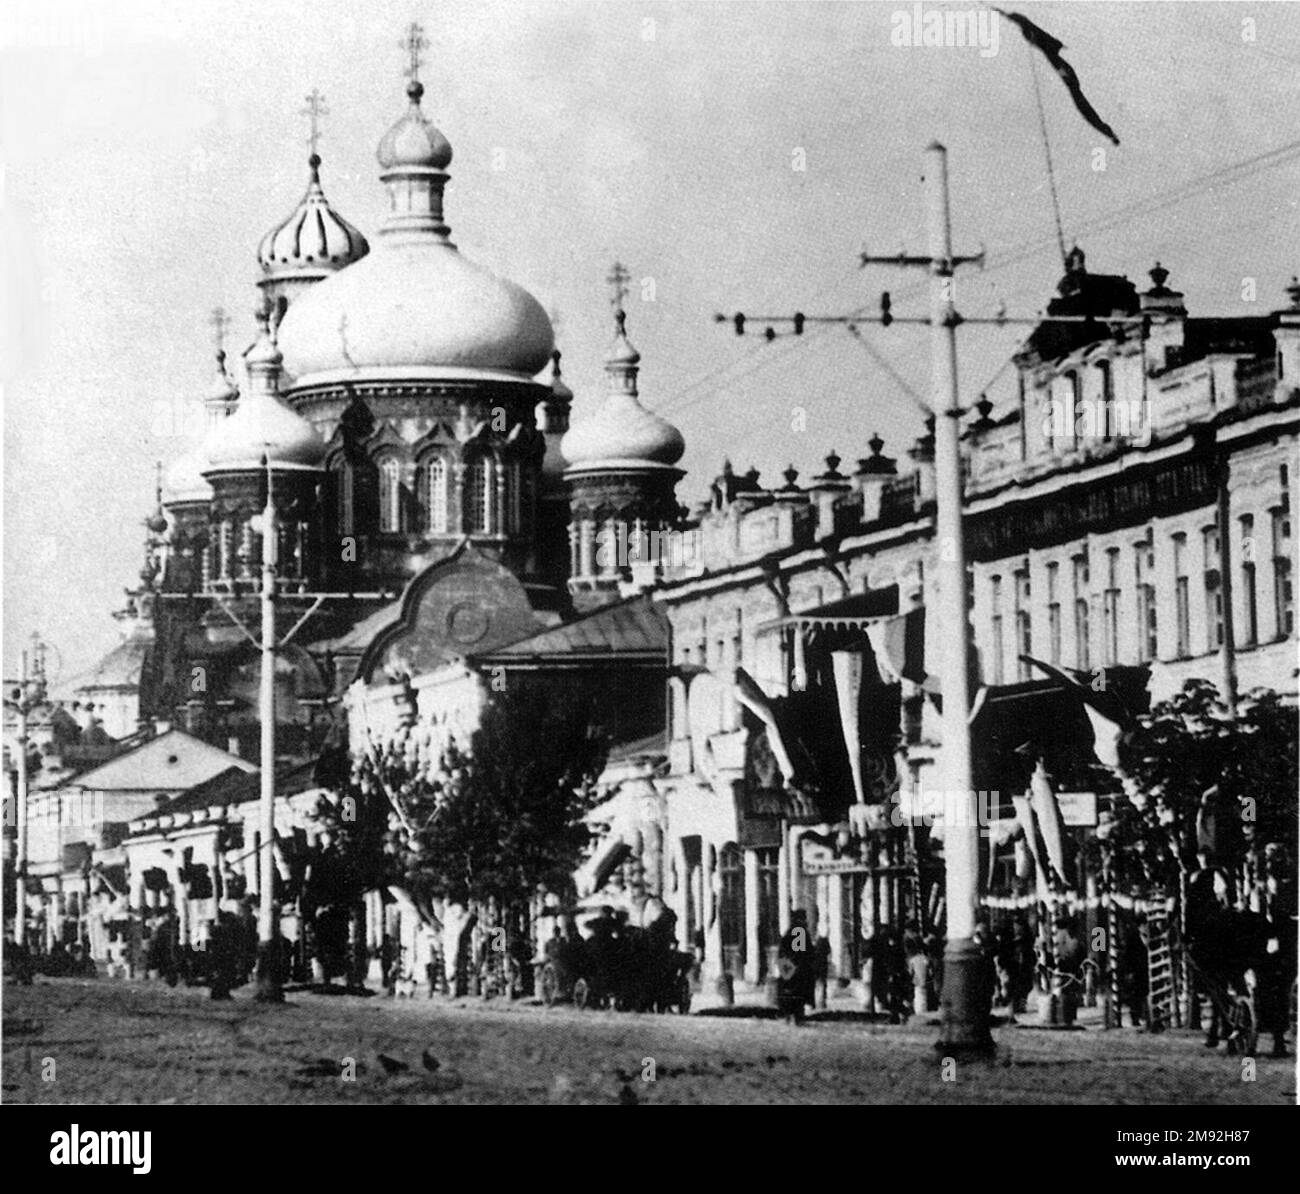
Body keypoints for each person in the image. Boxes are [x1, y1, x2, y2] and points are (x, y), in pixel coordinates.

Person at [776, 910, 816, 1024]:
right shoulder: (799, 931)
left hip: (788, 967)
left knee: (789, 993)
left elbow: (783, 951)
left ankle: (790, 1015)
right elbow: (799, 951)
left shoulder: (791, 930)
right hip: (797, 969)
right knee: (798, 993)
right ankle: (797, 1016)